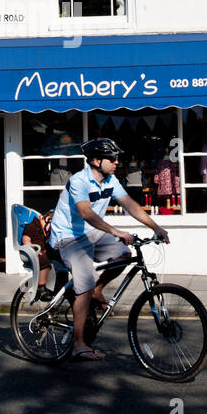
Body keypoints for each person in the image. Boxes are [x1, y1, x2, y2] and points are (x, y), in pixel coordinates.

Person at [50, 137, 169, 361]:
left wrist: (157, 227)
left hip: (91, 233)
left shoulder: (110, 180)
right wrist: (116, 232)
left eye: (116, 158)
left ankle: (97, 289)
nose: (116, 162)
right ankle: (78, 343)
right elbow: (86, 213)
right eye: (112, 159)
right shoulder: (79, 181)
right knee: (84, 283)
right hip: (68, 236)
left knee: (124, 254)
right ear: (96, 160)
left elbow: (131, 205)